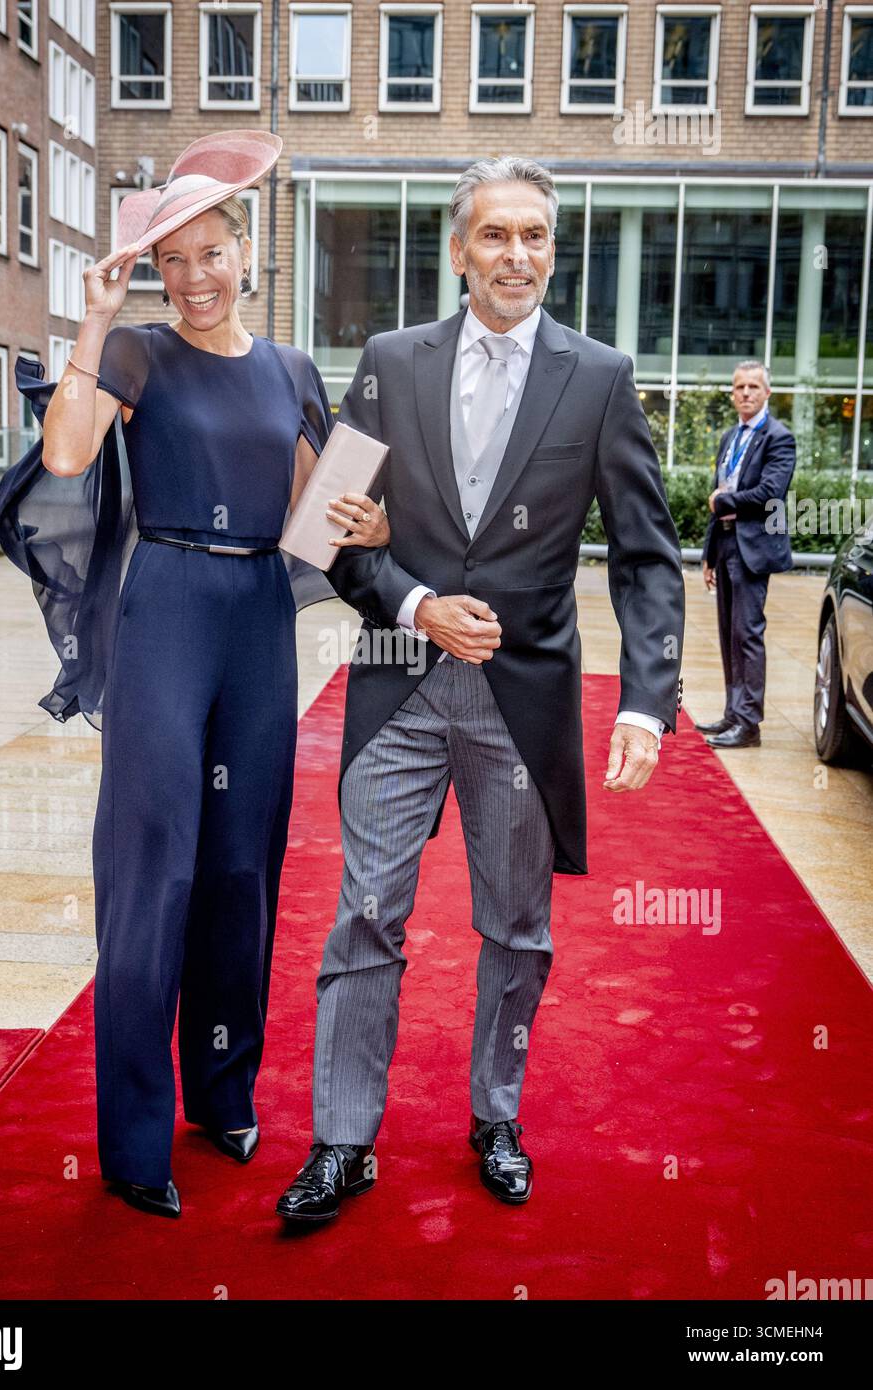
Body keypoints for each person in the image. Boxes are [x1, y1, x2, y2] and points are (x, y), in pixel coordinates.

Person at [276, 154, 686, 1223]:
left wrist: (647, 697)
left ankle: (495, 1114)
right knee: (367, 914)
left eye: (535, 237)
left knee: (517, 927)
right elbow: (327, 527)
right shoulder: (386, 362)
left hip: (523, 700)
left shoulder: (598, 376)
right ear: (460, 249)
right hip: (395, 686)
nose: (516, 254)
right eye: (495, 235)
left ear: (554, 249)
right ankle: (343, 1139)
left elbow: (646, 553)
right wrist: (414, 605)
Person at [0, 131, 388, 1220]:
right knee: (151, 865)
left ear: (246, 253)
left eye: (210, 253)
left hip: (259, 616)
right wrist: (95, 314)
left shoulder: (294, 371)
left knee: (240, 871)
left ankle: (221, 1091)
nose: (193, 277)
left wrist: (377, 514)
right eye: (173, 261)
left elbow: (325, 528)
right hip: (165, 605)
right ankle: (131, 1138)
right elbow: (68, 454)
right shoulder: (136, 354)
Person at [696, 361, 796, 749]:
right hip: (724, 544)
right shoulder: (730, 437)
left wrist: (725, 502)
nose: (746, 393)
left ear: (767, 392)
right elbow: (717, 494)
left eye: (754, 386)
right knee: (727, 634)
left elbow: (771, 493)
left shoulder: (778, 437)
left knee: (747, 634)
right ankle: (732, 714)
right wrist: (707, 555)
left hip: (753, 547)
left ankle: (749, 723)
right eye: (739, 387)